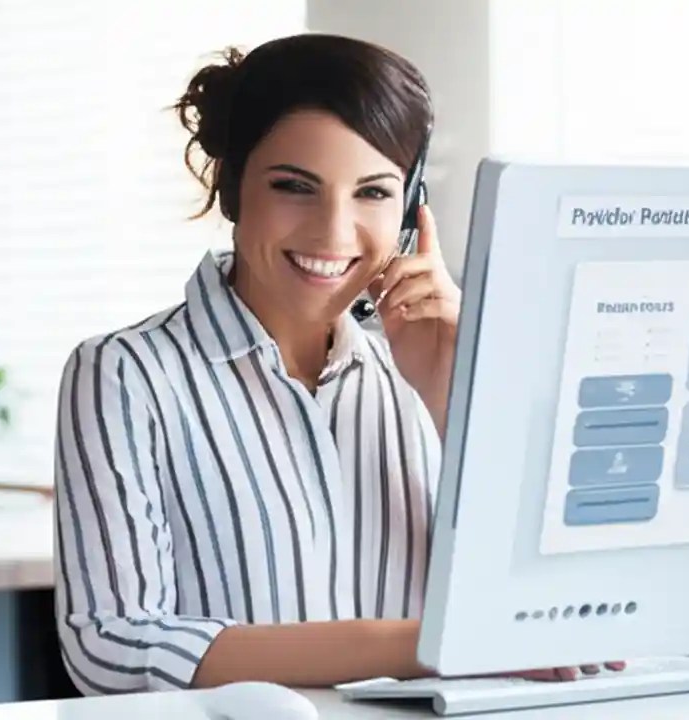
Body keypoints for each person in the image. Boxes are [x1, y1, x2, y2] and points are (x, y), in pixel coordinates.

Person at [51, 32, 622, 695]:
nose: (333, 231)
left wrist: (454, 400)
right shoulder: (125, 375)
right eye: (295, 186)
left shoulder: (421, 373)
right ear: (233, 189)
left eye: (373, 193)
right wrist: (434, 646)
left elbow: (554, 608)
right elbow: (115, 645)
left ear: (409, 209)